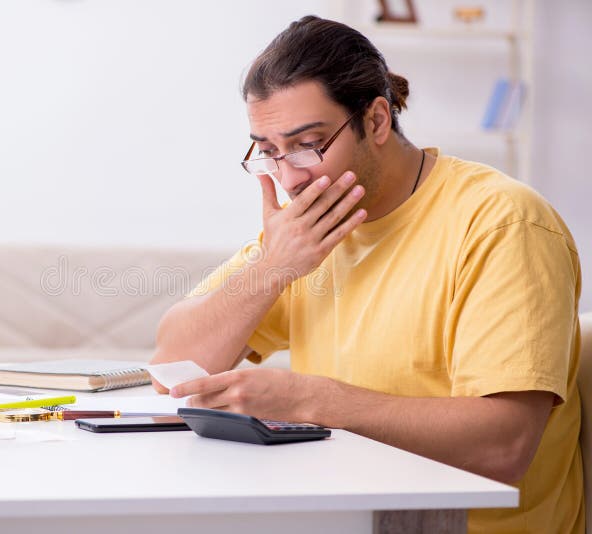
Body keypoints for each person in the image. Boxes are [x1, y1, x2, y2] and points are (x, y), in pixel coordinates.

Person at [150, 15, 583, 534]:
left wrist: (310, 401)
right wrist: (272, 267)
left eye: (307, 144)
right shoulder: (307, 234)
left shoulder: (503, 224)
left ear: (376, 120)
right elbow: (170, 366)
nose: (289, 177)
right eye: (268, 152)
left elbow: (504, 445)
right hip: (343, 518)